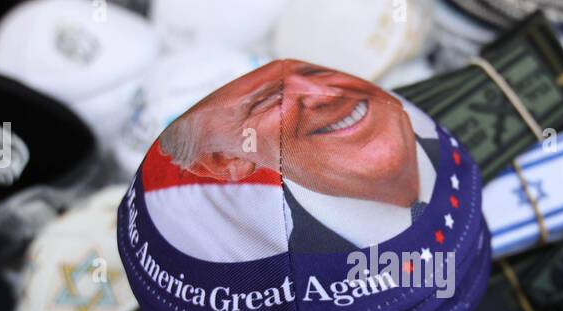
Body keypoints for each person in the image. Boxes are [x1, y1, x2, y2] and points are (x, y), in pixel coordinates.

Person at [153, 59, 438, 257]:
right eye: (268, 100)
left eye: (316, 72)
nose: (324, 94)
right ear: (225, 160)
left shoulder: (457, 130)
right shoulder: (289, 293)